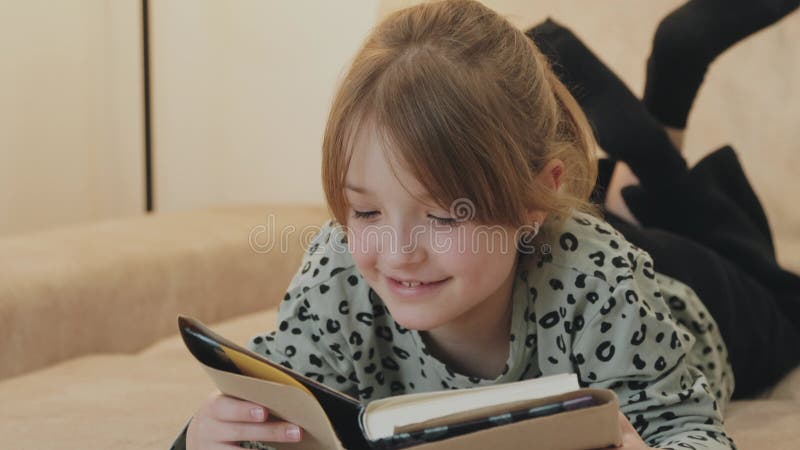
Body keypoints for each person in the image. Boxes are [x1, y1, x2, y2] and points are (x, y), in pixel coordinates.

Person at [169, 1, 800, 449]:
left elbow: (690, 427)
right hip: (527, 238)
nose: (397, 252)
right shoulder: (339, 268)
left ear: (534, 200)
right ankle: (639, 156)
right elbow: (275, 410)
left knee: (781, 300)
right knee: (600, 213)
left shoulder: (597, 278)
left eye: (444, 215)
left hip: (693, 300)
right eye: (365, 211)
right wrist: (199, 439)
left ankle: (666, 105)